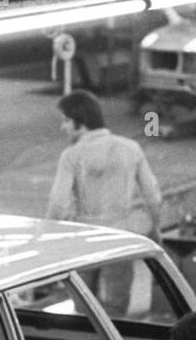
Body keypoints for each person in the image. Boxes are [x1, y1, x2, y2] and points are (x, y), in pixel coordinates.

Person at [46, 90, 164, 315]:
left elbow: (58, 204)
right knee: (115, 310)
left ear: (80, 122)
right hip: (120, 239)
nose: (63, 127)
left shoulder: (72, 155)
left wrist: (47, 240)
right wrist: (156, 229)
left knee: (83, 310)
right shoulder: (131, 148)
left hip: (85, 241)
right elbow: (153, 196)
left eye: (66, 121)